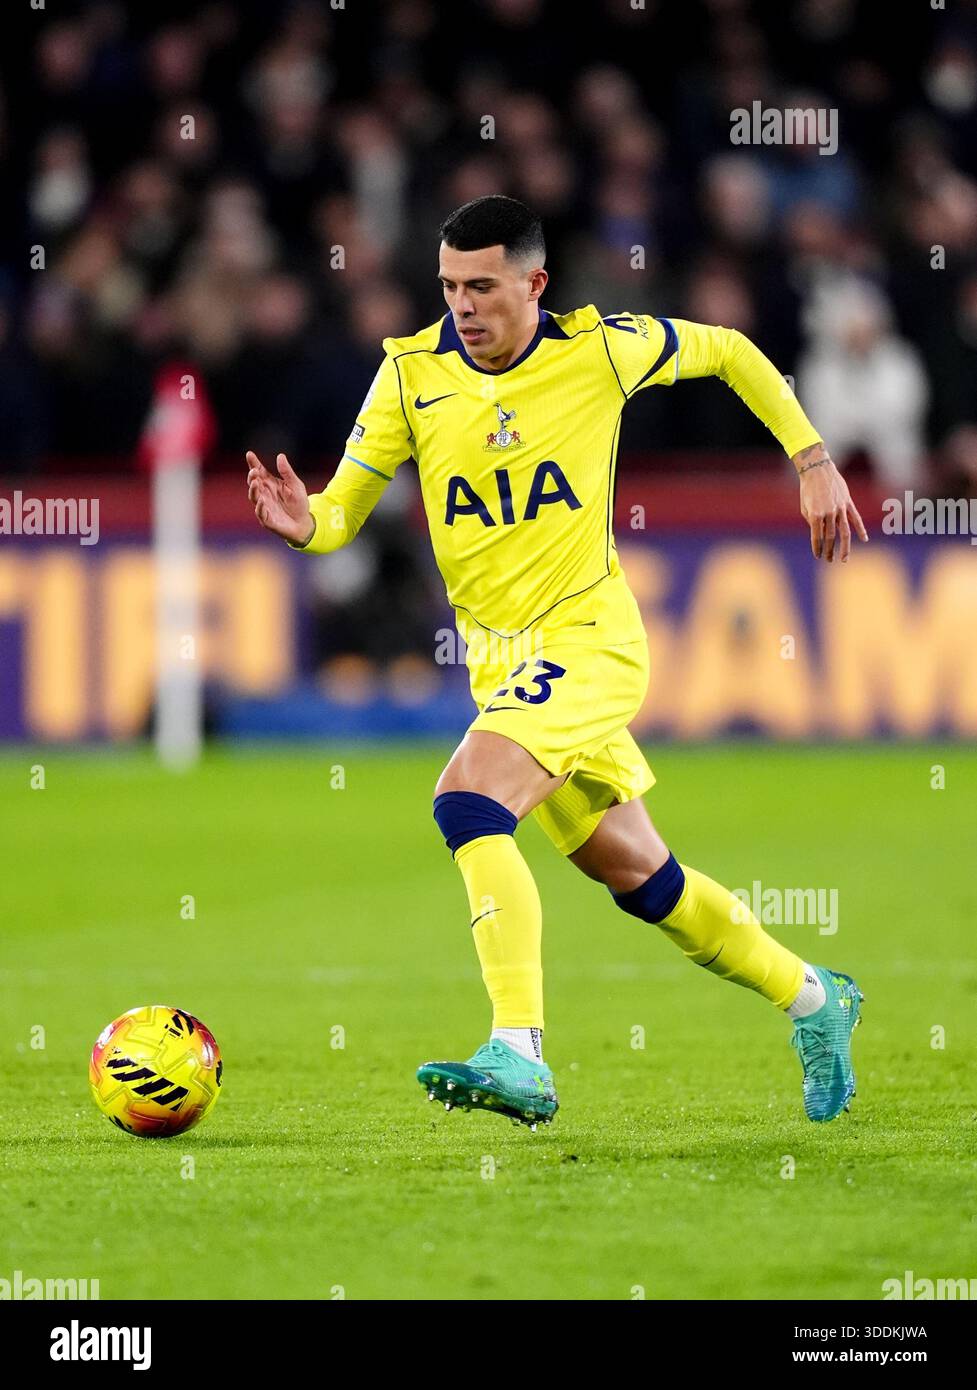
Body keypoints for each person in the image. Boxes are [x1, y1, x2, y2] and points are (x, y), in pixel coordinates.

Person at [246, 195, 868, 1130]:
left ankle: (520, 1051)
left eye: (484, 286)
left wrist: (811, 457)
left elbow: (734, 350)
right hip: (501, 669)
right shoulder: (410, 376)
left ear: (535, 283)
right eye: (451, 286)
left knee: (466, 800)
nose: (464, 305)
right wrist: (308, 526)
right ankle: (817, 998)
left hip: (589, 644)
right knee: (642, 882)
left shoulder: (600, 349)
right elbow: (341, 511)